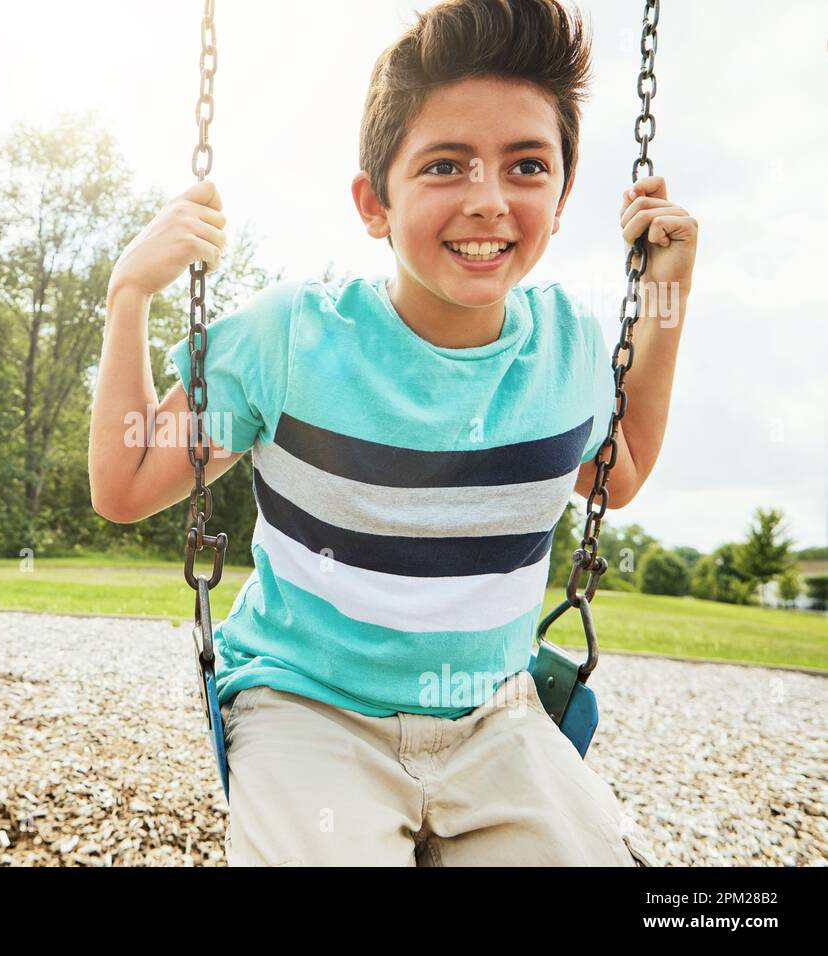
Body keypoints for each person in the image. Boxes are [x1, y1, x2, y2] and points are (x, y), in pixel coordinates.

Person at [88, 0, 697, 866]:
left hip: (497, 716)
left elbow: (618, 474)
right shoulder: (292, 339)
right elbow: (125, 484)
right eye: (447, 165)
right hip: (308, 706)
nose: (489, 201)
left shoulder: (566, 345)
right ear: (374, 203)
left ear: (561, 200)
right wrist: (129, 296)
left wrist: (666, 297)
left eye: (526, 166)